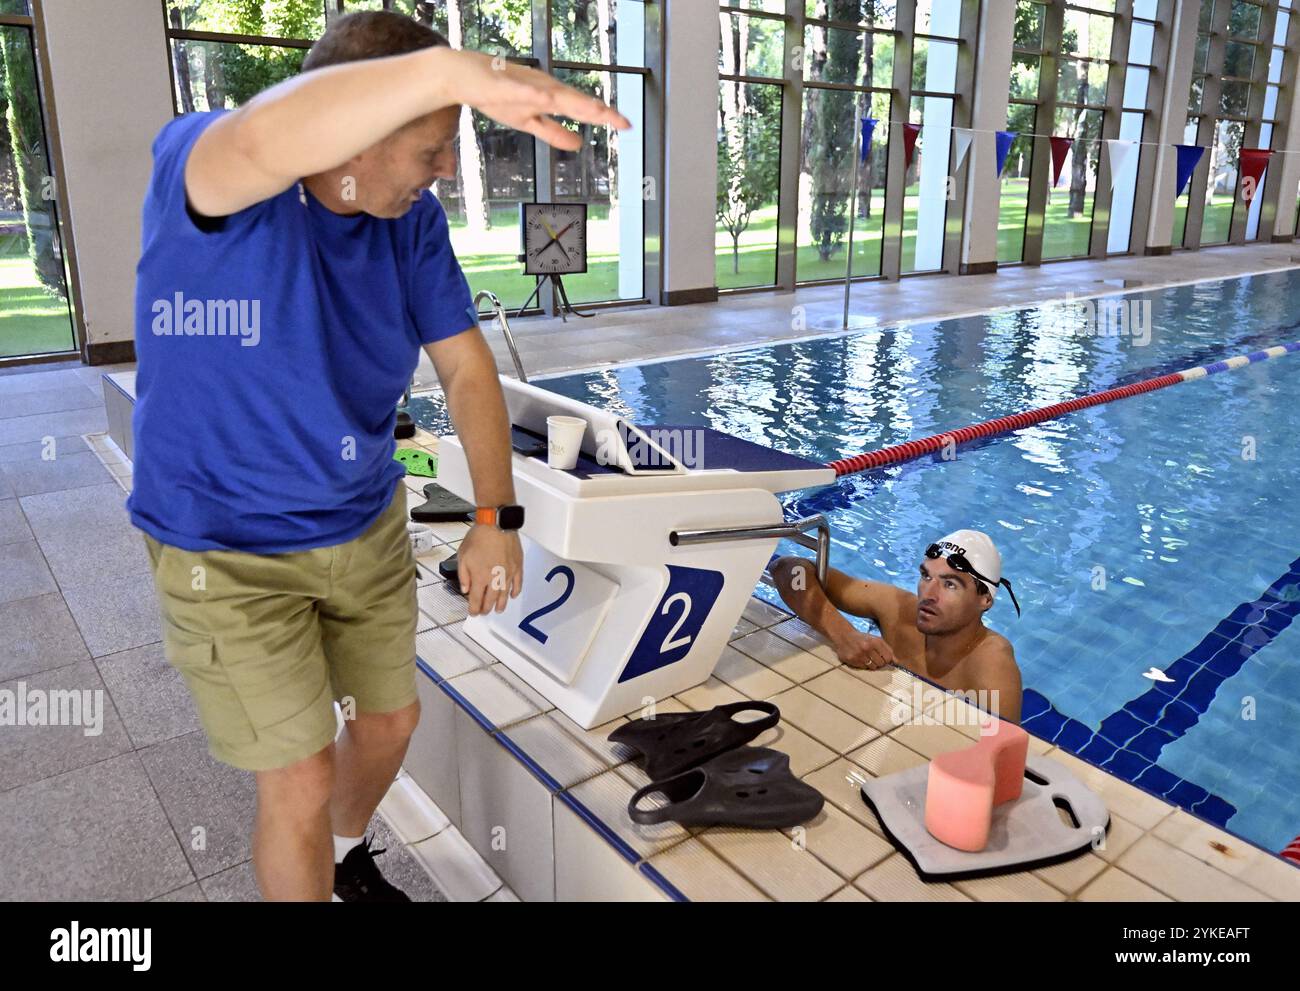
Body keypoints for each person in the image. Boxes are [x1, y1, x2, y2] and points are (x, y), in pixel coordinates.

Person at [130, 11, 629, 902]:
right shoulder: (207, 167)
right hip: (224, 544)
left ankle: (345, 854)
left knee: (392, 722)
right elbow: (271, 131)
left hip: (358, 518)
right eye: (434, 144)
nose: (445, 168)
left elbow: (467, 364)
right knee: (299, 775)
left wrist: (494, 517)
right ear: (357, 129)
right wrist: (448, 71)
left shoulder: (410, 223)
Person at [772, 530, 1023, 722]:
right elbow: (789, 568)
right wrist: (844, 634)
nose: (929, 593)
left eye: (950, 584)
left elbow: (1003, 757)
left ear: (985, 600)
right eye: (926, 576)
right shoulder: (898, 610)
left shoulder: (992, 663)